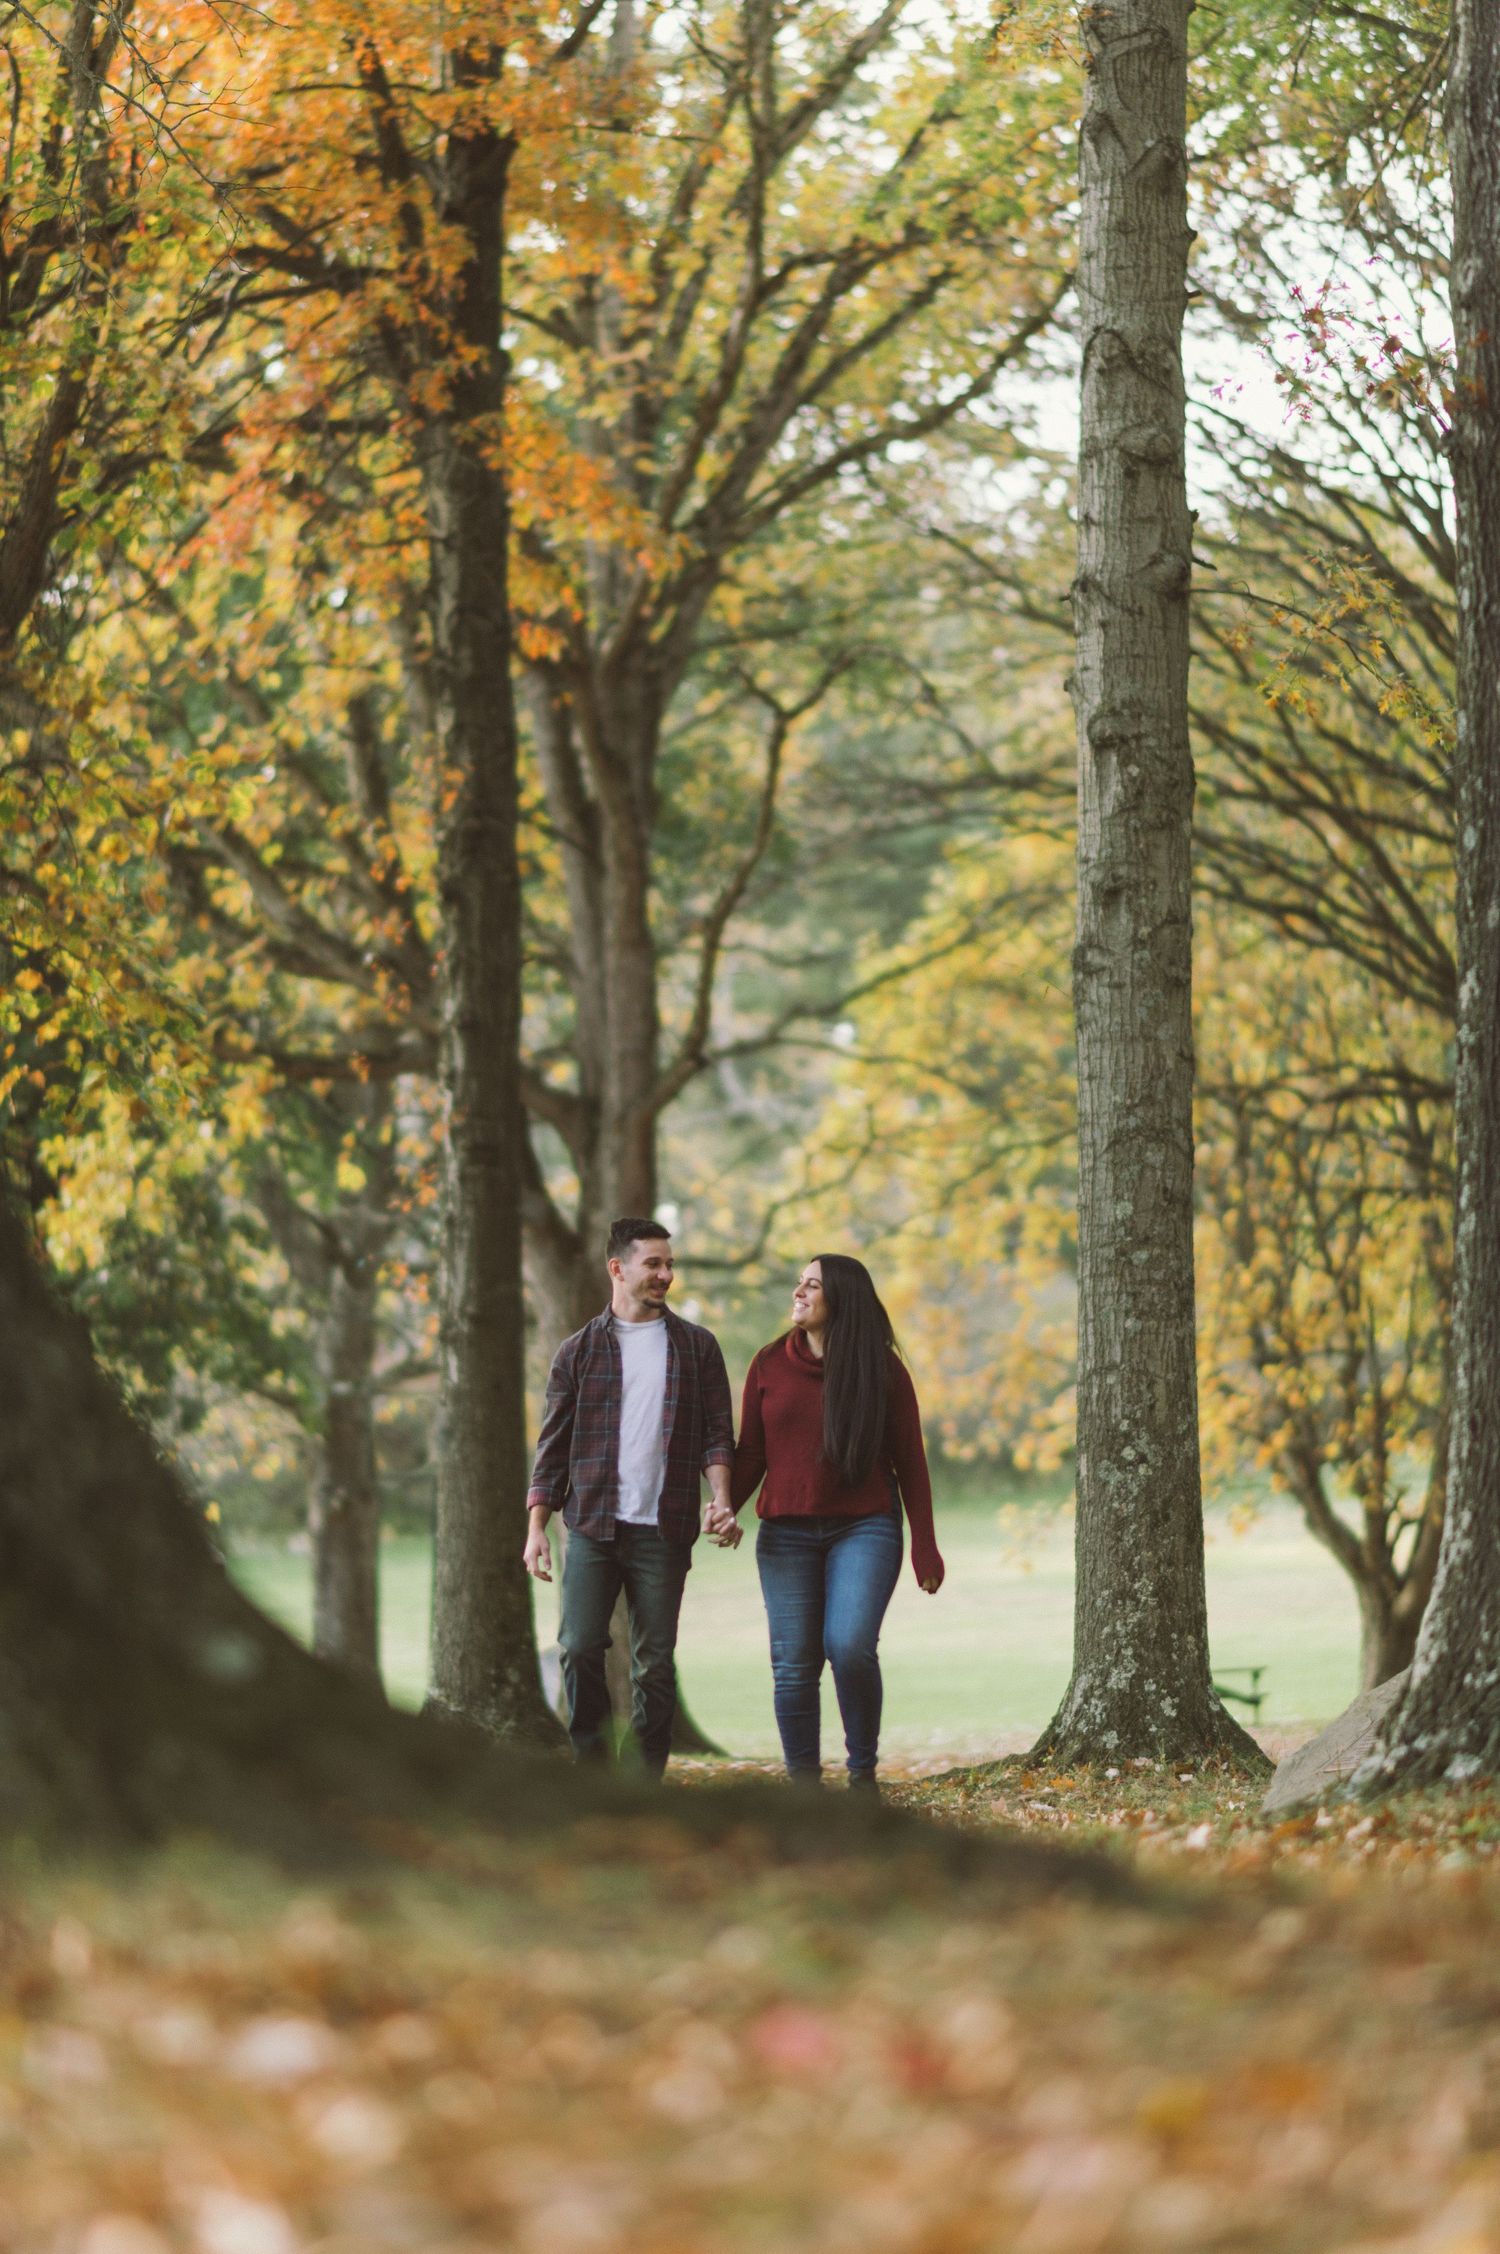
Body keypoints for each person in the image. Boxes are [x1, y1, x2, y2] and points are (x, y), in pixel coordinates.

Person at [523, 1217, 740, 1776]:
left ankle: (643, 1780)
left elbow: (718, 1434)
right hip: (592, 1526)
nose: (665, 1275)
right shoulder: (577, 1352)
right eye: (654, 1264)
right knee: (578, 1648)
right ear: (618, 1269)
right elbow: (552, 1447)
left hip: (663, 1528)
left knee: (654, 1665)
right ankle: (594, 1777)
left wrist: (721, 1498)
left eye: (670, 1265)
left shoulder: (696, 1348)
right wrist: (536, 1529)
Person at [730, 1255, 944, 1793]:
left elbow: (911, 1462)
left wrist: (925, 1546)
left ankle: (861, 1777)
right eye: (798, 1283)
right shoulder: (768, 1364)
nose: (798, 1292)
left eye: (812, 1285)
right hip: (785, 1534)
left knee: (848, 1645)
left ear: (841, 1298)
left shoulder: (882, 1370)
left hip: (864, 1527)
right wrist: (721, 1506)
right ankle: (805, 1790)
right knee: (793, 1664)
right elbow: (751, 1453)